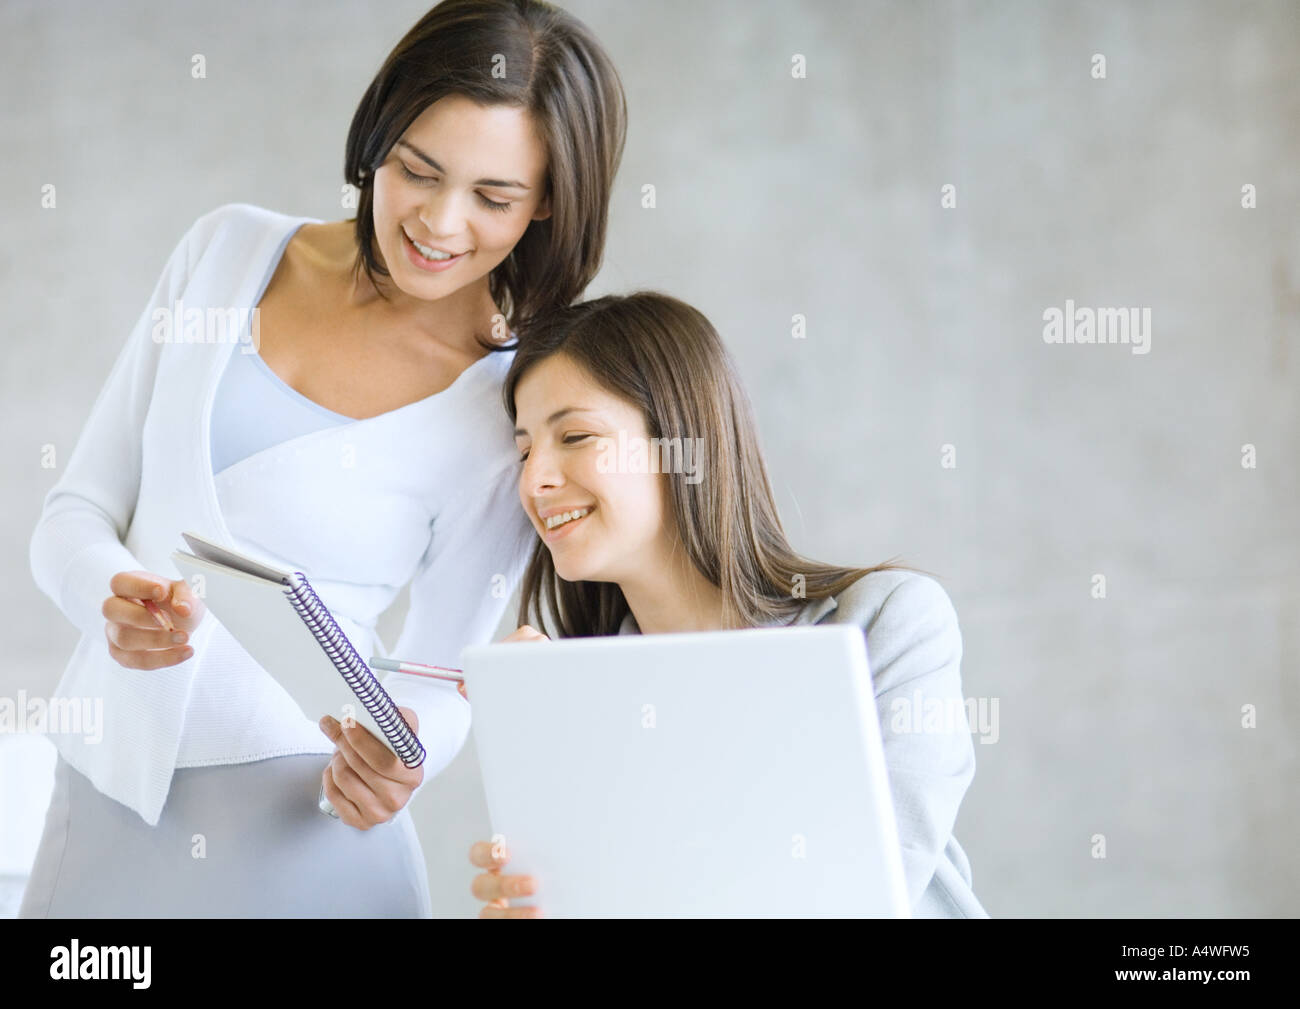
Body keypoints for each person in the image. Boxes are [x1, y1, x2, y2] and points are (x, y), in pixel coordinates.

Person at [21, 0, 627, 918]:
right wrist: (110, 599)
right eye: (416, 169)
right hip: (104, 784)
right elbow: (75, 512)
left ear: (547, 204)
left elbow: (447, 666)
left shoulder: (509, 398)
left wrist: (406, 750)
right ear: (376, 135)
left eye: (494, 198)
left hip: (311, 827)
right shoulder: (225, 252)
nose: (438, 219)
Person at [463, 292, 990, 918]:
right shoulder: (576, 699)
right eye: (524, 451)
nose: (535, 480)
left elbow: (858, 898)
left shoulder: (892, 621)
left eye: (574, 436)